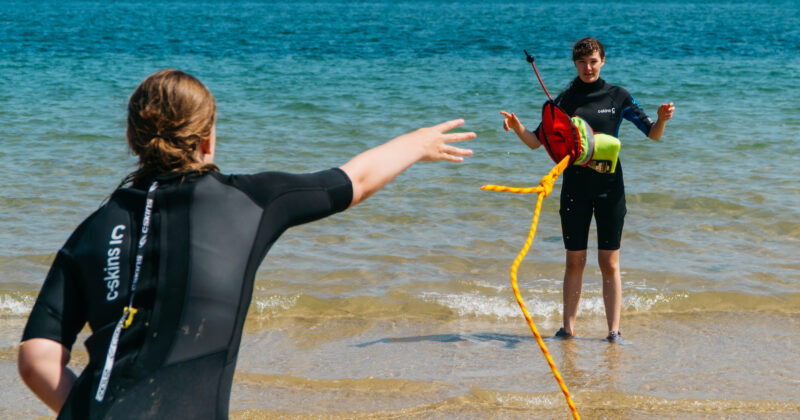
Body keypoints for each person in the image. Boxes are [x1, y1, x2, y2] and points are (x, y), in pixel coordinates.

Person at [18, 69, 474, 419]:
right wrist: (416, 144)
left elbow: (36, 359)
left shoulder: (94, 228)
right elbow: (353, 180)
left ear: (131, 139)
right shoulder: (250, 201)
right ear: (206, 139)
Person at [500, 37, 675, 341]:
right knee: (574, 260)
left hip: (611, 189)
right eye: (581, 62)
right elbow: (535, 142)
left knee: (609, 262)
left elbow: (653, 134)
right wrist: (517, 127)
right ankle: (567, 329)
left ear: (602, 61)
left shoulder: (618, 97)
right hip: (575, 190)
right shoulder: (565, 101)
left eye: (593, 61)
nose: (588, 67)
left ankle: (613, 332)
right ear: (575, 64)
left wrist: (661, 119)